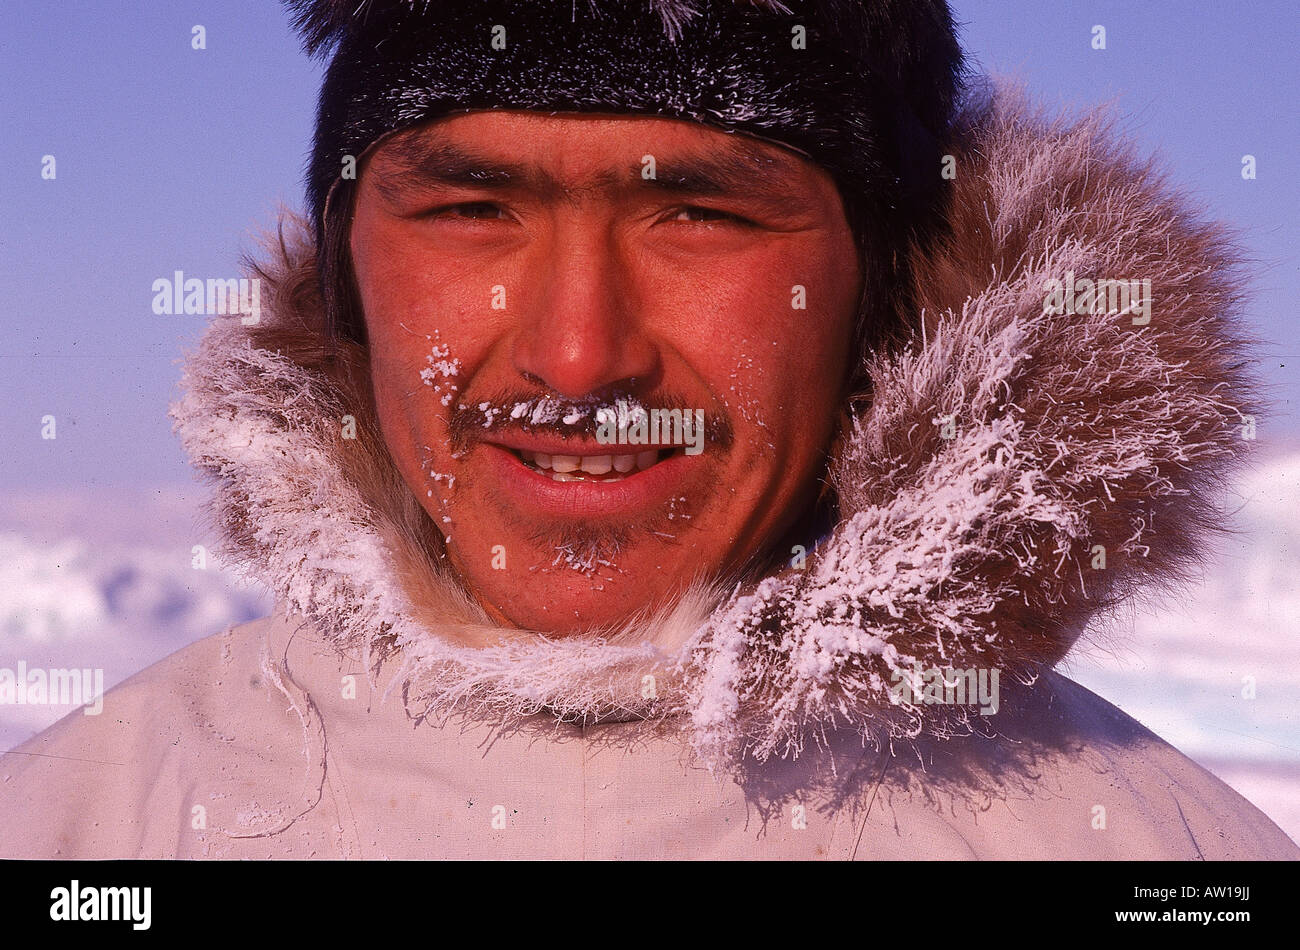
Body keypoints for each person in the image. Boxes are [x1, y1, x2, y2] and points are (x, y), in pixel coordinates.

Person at [2, 0, 1295, 859]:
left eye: (702, 216)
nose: (579, 353)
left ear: (893, 294)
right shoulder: (82, 829)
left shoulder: (1158, 853)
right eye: (472, 209)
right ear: (348, 281)